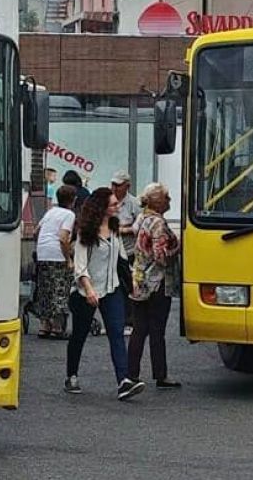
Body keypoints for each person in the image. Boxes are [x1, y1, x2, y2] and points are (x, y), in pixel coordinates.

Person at [65, 187, 144, 401]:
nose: (117, 206)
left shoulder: (114, 227)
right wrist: (89, 290)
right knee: (79, 335)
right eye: (113, 204)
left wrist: (133, 280)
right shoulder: (85, 232)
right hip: (86, 291)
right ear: (102, 207)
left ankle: (123, 381)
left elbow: (122, 259)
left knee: (116, 333)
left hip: (112, 288)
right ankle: (71, 375)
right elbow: (80, 266)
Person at [127, 182, 182, 390]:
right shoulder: (158, 223)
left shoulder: (141, 218)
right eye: (167, 198)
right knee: (157, 329)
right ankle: (160, 373)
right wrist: (176, 251)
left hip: (139, 279)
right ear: (158, 202)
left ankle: (131, 373)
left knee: (139, 328)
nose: (169, 201)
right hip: (157, 282)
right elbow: (160, 254)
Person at [34, 184, 76, 338]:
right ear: (73, 200)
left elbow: (35, 231)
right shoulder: (69, 214)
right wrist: (68, 259)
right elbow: (63, 238)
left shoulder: (50, 212)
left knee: (45, 290)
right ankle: (57, 327)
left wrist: (40, 246)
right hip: (57, 255)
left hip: (42, 252)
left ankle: (44, 326)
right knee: (60, 289)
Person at [111, 170, 139, 334]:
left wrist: (123, 230)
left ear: (127, 186)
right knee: (114, 287)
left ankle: (130, 321)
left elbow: (141, 226)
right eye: (113, 184)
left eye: (118, 185)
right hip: (112, 251)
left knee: (128, 286)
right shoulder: (109, 201)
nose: (114, 188)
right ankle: (116, 320)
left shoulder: (134, 204)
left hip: (129, 251)